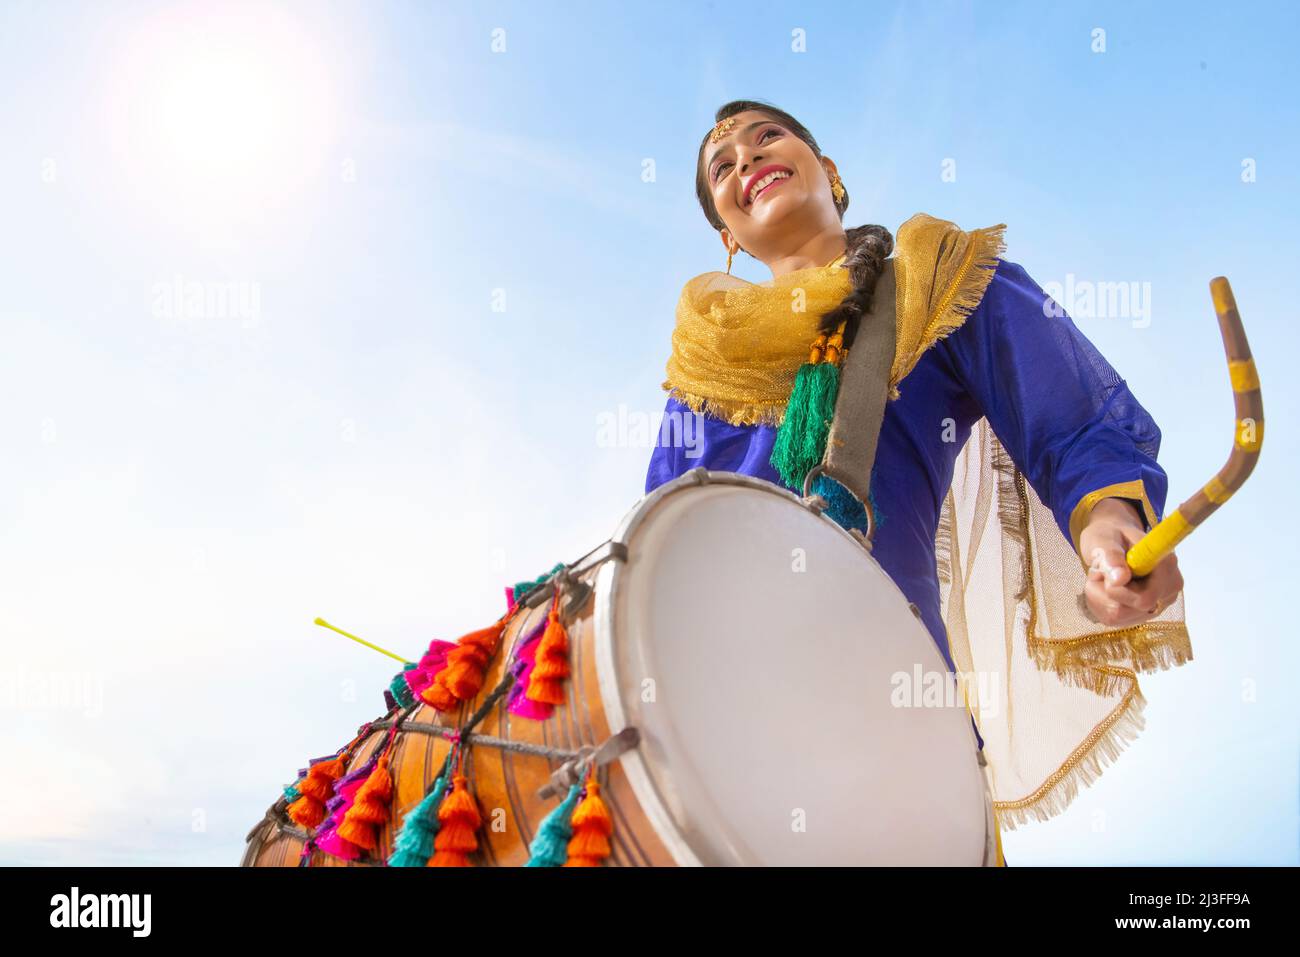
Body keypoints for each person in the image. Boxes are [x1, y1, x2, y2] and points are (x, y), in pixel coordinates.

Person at [645, 100, 1193, 858]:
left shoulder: (941, 278)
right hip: (715, 719)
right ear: (726, 235)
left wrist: (1107, 521)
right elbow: (657, 540)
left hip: (893, 710)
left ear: (828, 171)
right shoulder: (705, 356)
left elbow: (1067, 417)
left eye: (767, 136)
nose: (746, 159)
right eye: (722, 164)